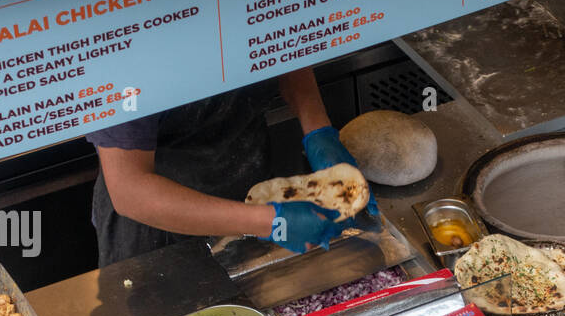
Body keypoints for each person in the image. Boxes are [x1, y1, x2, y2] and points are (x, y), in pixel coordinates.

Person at [87, 67, 374, 266]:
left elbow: (283, 44)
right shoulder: (126, 38)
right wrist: (271, 222)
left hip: (248, 181)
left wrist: (318, 131)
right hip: (154, 227)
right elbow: (129, 189)